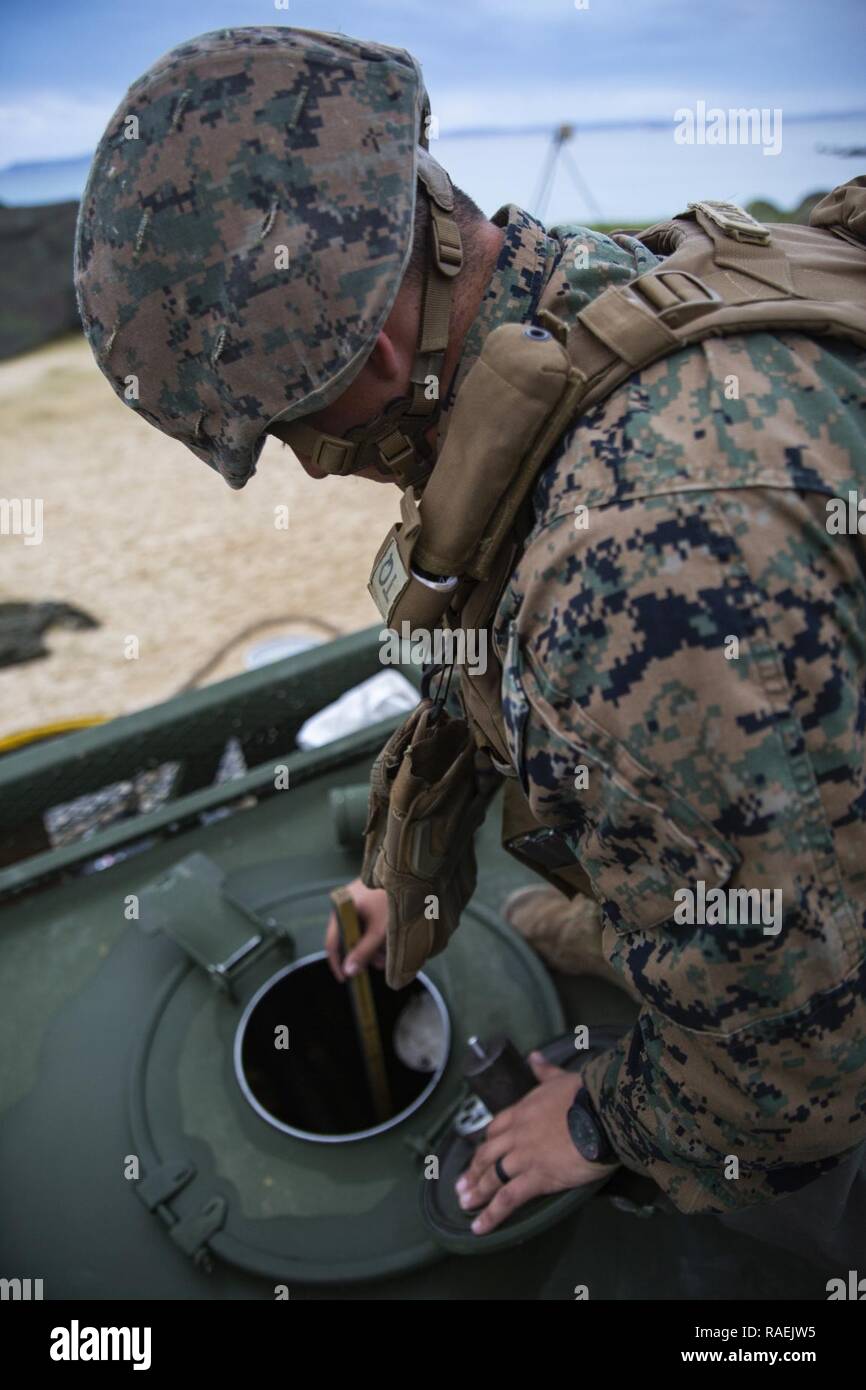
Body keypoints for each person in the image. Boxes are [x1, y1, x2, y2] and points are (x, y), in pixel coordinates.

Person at [75, 26, 866, 1267]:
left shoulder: (633, 570)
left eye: (286, 426)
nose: (302, 456)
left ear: (374, 357)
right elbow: (487, 577)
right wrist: (410, 859)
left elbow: (804, 1068)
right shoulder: (589, 301)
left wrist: (604, 1120)